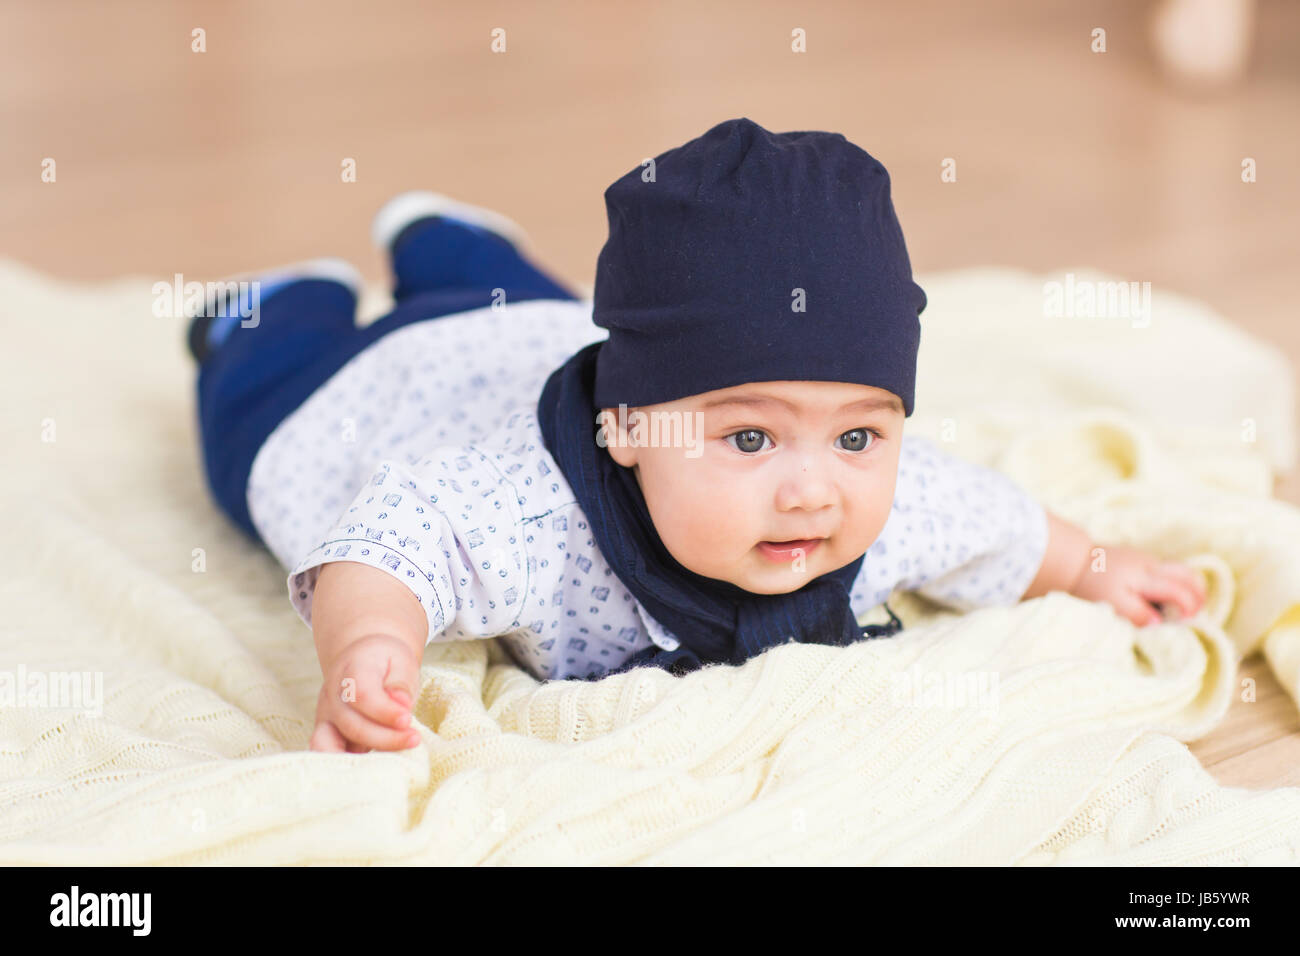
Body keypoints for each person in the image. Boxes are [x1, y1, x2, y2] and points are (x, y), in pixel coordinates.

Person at [187, 117, 1206, 754]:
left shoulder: (887, 509)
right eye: (751, 440)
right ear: (623, 426)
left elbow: (1000, 525)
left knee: (515, 292)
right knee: (254, 416)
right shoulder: (529, 512)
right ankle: (281, 304)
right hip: (371, 390)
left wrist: (1095, 567)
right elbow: (389, 544)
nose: (813, 489)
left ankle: (453, 238)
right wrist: (369, 645)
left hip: (539, 321)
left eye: (858, 436)